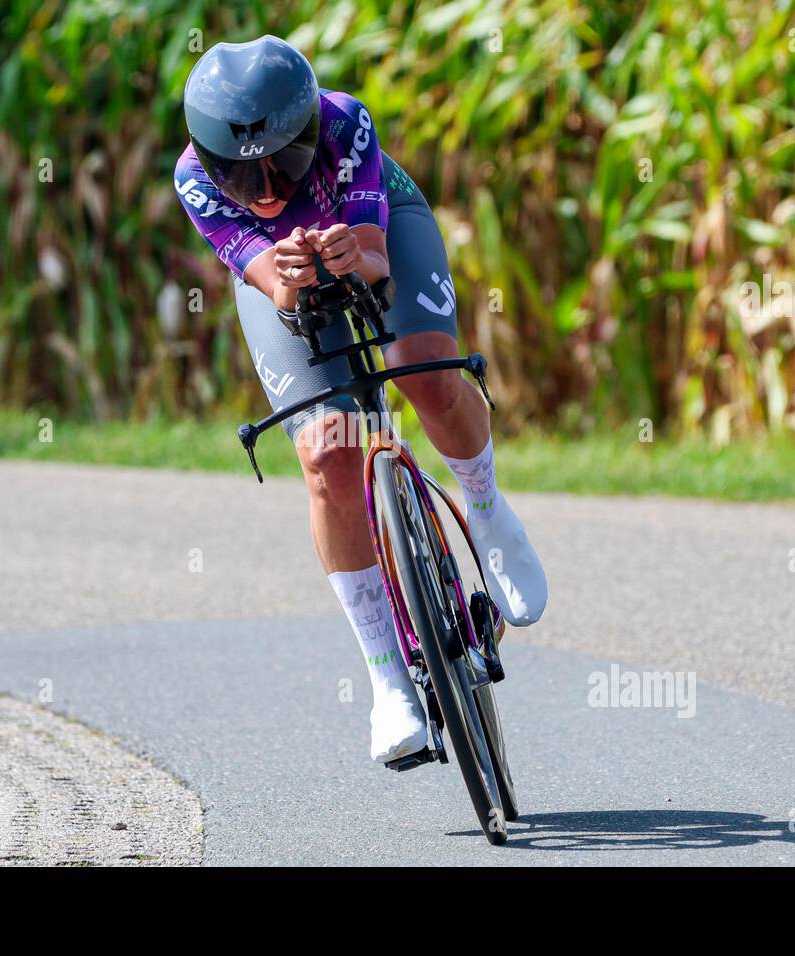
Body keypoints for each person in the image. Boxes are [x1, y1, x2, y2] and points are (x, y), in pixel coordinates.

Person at [174, 35, 547, 762]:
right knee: (326, 453)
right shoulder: (191, 179)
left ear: (313, 129)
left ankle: (488, 509)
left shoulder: (347, 123)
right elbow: (276, 289)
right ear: (210, 164)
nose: (270, 189)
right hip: (280, 276)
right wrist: (286, 270)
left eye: (286, 160)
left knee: (425, 372)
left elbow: (377, 262)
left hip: (380, 230)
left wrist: (352, 254)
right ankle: (387, 683)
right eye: (243, 180)